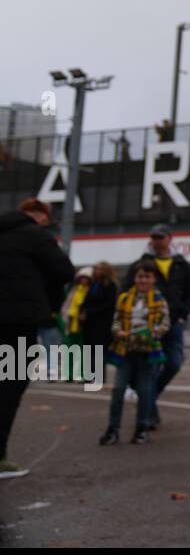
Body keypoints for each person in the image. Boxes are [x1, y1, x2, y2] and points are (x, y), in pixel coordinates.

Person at [0, 198, 75, 478]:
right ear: (41, 216)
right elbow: (64, 271)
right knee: (9, 386)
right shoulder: (36, 236)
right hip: (18, 322)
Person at [127, 224, 190, 429]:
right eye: (154, 237)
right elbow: (126, 290)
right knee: (148, 369)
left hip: (173, 324)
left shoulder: (181, 264)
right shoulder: (140, 264)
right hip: (147, 325)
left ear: (169, 239)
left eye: (161, 237)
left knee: (174, 363)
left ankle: (149, 397)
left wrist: (183, 313)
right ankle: (148, 413)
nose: (157, 240)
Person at [99, 261, 168, 446]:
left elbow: (164, 323)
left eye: (147, 276)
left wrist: (154, 332)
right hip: (126, 350)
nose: (143, 280)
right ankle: (113, 429)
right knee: (118, 389)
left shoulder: (160, 300)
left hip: (147, 352)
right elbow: (116, 321)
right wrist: (118, 331)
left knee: (145, 391)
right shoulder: (124, 299)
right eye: (140, 276)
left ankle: (141, 429)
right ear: (134, 278)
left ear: (154, 279)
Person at [58, 267, 93, 381]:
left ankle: (82, 373)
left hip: (83, 324)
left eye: (86, 278)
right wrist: (67, 316)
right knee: (69, 350)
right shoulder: (73, 291)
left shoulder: (91, 291)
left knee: (83, 351)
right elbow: (66, 306)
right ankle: (68, 374)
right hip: (71, 322)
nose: (84, 280)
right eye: (82, 278)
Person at [81, 261, 119, 357]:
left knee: (98, 353)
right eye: (96, 269)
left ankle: (97, 372)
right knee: (88, 353)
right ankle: (89, 371)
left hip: (101, 325)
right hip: (89, 324)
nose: (98, 271)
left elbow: (108, 305)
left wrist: (89, 312)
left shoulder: (110, 286)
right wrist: (82, 310)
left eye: (100, 269)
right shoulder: (93, 284)